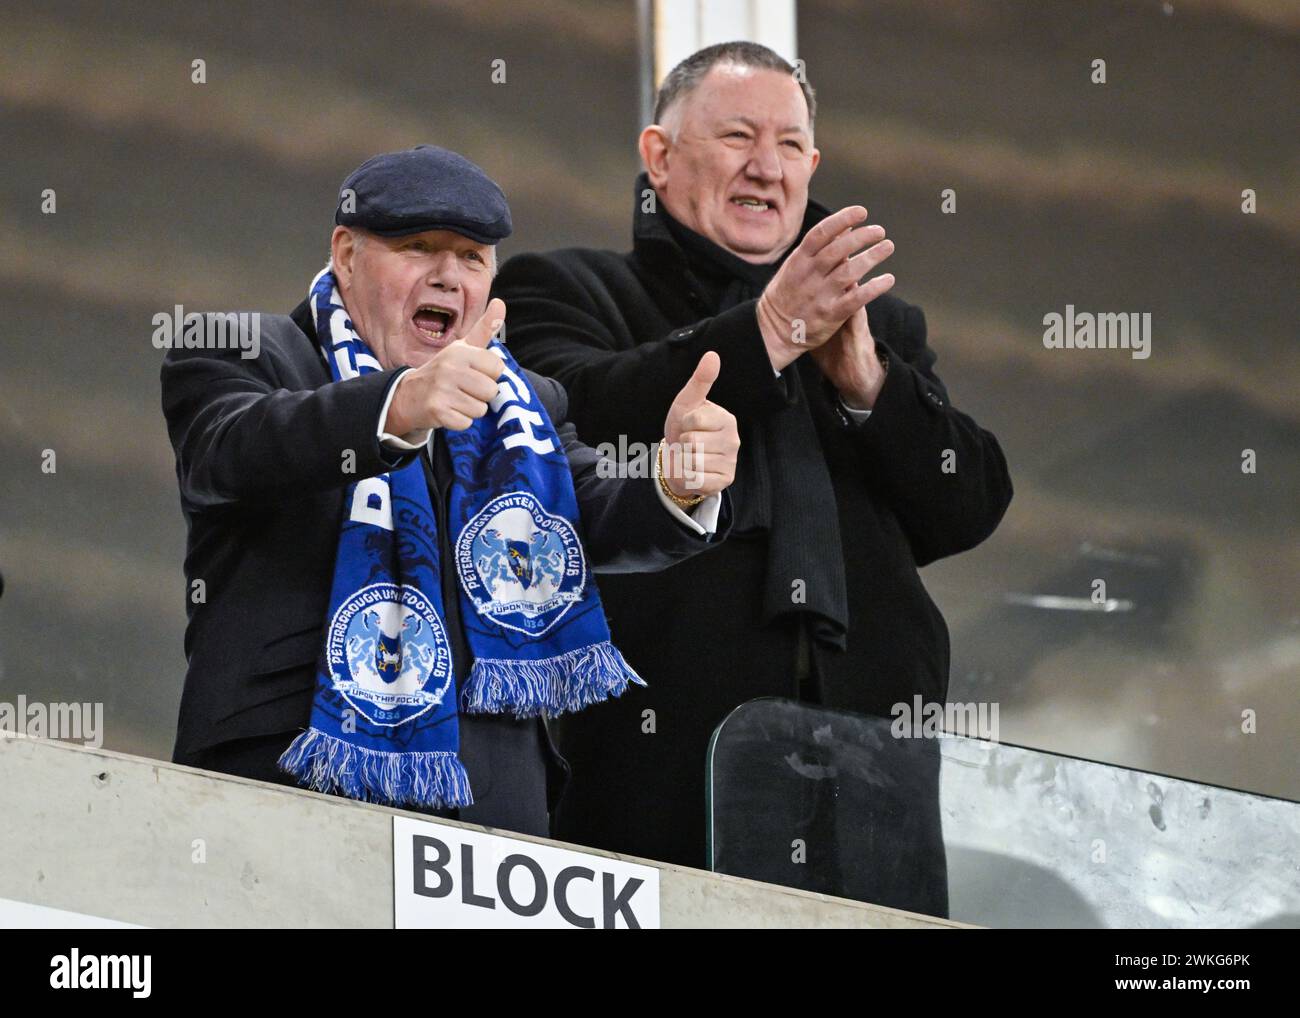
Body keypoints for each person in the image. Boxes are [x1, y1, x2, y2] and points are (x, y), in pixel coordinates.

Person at [492, 43, 1013, 881]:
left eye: (791, 146)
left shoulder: (878, 327)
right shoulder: (567, 288)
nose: (768, 169)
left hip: (876, 768)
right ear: (658, 157)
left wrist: (866, 379)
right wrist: (767, 336)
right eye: (737, 136)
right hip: (657, 758)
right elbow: (576, 421)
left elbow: (968, 503)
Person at [160, 144, 738, 838]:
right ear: (346, 254)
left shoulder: (523, 406)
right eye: (418, 247)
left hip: (490, 808)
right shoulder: (247, 350)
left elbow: (595, 512)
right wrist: (399, 406)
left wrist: (672, 481)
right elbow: (232, 450)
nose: (447, 275)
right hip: (286, 781)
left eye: (471, 257)